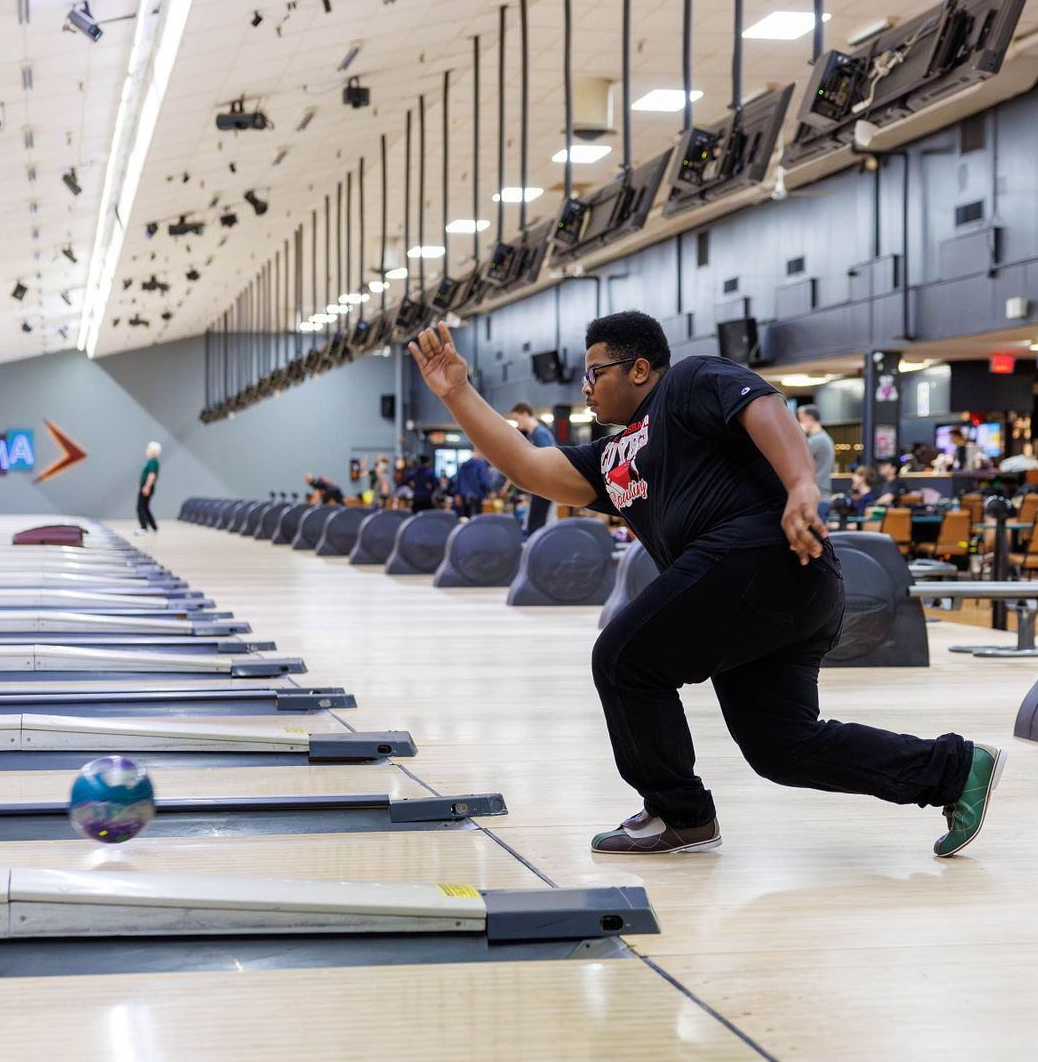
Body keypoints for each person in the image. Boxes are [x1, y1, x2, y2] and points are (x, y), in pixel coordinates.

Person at [406, 312, 1002, 858]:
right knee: (780, 746)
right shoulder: (611, 459)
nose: (586, 387)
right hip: (768, 595)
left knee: (623, 658)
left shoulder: (686, 382)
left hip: (764, 555)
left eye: (596, 372)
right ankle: (952, 769)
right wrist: (457, 392)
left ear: (640, 369)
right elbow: (527, 465)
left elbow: (763, 406)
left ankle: (678, 814)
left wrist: (801, 486)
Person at [508, 402, 557, 535]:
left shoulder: (539, 433)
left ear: (525, 414)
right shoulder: (532, 435)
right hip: (540, 486)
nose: (517, 423)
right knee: (534, 523)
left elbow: (547, 460)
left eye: (517, 419)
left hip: (545, 486)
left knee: (536, 525)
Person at [795, 406, 834, 512]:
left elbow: (793, 457)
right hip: (820, 496)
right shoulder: (822, 437)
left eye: (801, 419)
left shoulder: (817, 440)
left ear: (810, 419)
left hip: (815, 498)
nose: (799, 423)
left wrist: (799, 432)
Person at [453, 453, 493, 518]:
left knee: (465, 518)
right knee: (477, 518)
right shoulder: (481, 464)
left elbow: (458, 480)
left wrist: (457, 494)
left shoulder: (464, 465)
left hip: (464, 495)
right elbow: (483, 480)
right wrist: (489, 490)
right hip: (477, 495)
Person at [135, 441, 161, 535]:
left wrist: (147, 486)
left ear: (153, 451)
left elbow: (152, 475)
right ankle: (154, 526)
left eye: (148, 449)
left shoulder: (153, 461)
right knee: (145, 507)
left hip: (147, 486)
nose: (147, 451)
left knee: (140, 507)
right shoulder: (150, 461)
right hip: (145, 486)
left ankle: (144, 527)